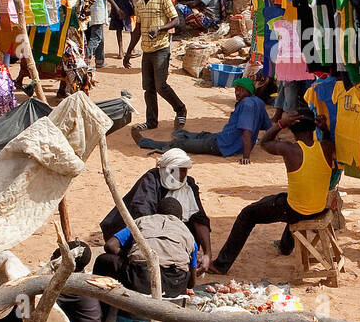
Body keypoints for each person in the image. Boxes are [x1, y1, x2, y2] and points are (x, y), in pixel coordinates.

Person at [208, 110, 333, 275]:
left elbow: (264, 143)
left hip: (296, 210)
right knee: (284, 199)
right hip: (318, 208)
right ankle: (285, 247)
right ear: (312, 128)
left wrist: (281, 124)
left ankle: (221, 265)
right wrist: (324, 129)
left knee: (248, 214)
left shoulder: (291, 149)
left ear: (292, 128)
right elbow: (326, 139)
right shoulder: (327, 147)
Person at [99, 150, 213, 272]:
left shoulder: (189, 185)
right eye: (176, 170)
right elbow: (143, 216)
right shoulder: (151, 180)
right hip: (144, 233)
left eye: (184, 170)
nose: (181, 175)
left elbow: (199, 218)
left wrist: (207, 254)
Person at [133, 76, 271, 162]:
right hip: (223, 138)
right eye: (236, 89)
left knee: (181, 145)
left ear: (249, 91)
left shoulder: (247, 104)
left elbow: (247, 132)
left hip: (224, 146)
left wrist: (246, 157)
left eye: (241, 90)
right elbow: (268, 126)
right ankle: (179, 133)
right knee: (200, 135)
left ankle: (144, 142)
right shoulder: (257, 102)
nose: (237, 92)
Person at [96, 197, 199, 296]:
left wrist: (127, 255)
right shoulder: (187, 233)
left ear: (156, 212)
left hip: (141, 278)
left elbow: (110, 245)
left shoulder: (143, 221)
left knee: (103, 260)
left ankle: (99, 305)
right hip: (174, 285)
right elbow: (191, 283)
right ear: (180, 218)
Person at [136, 0, 186, 131]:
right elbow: (137, 29)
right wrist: (129, 51)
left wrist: (160, 29)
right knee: (148, 87)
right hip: (146, 50)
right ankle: (151, 121)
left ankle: (180, 109)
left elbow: (176, 20)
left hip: (161, 48)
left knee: (161, 86)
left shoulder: (163, 0)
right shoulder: (139, 4)